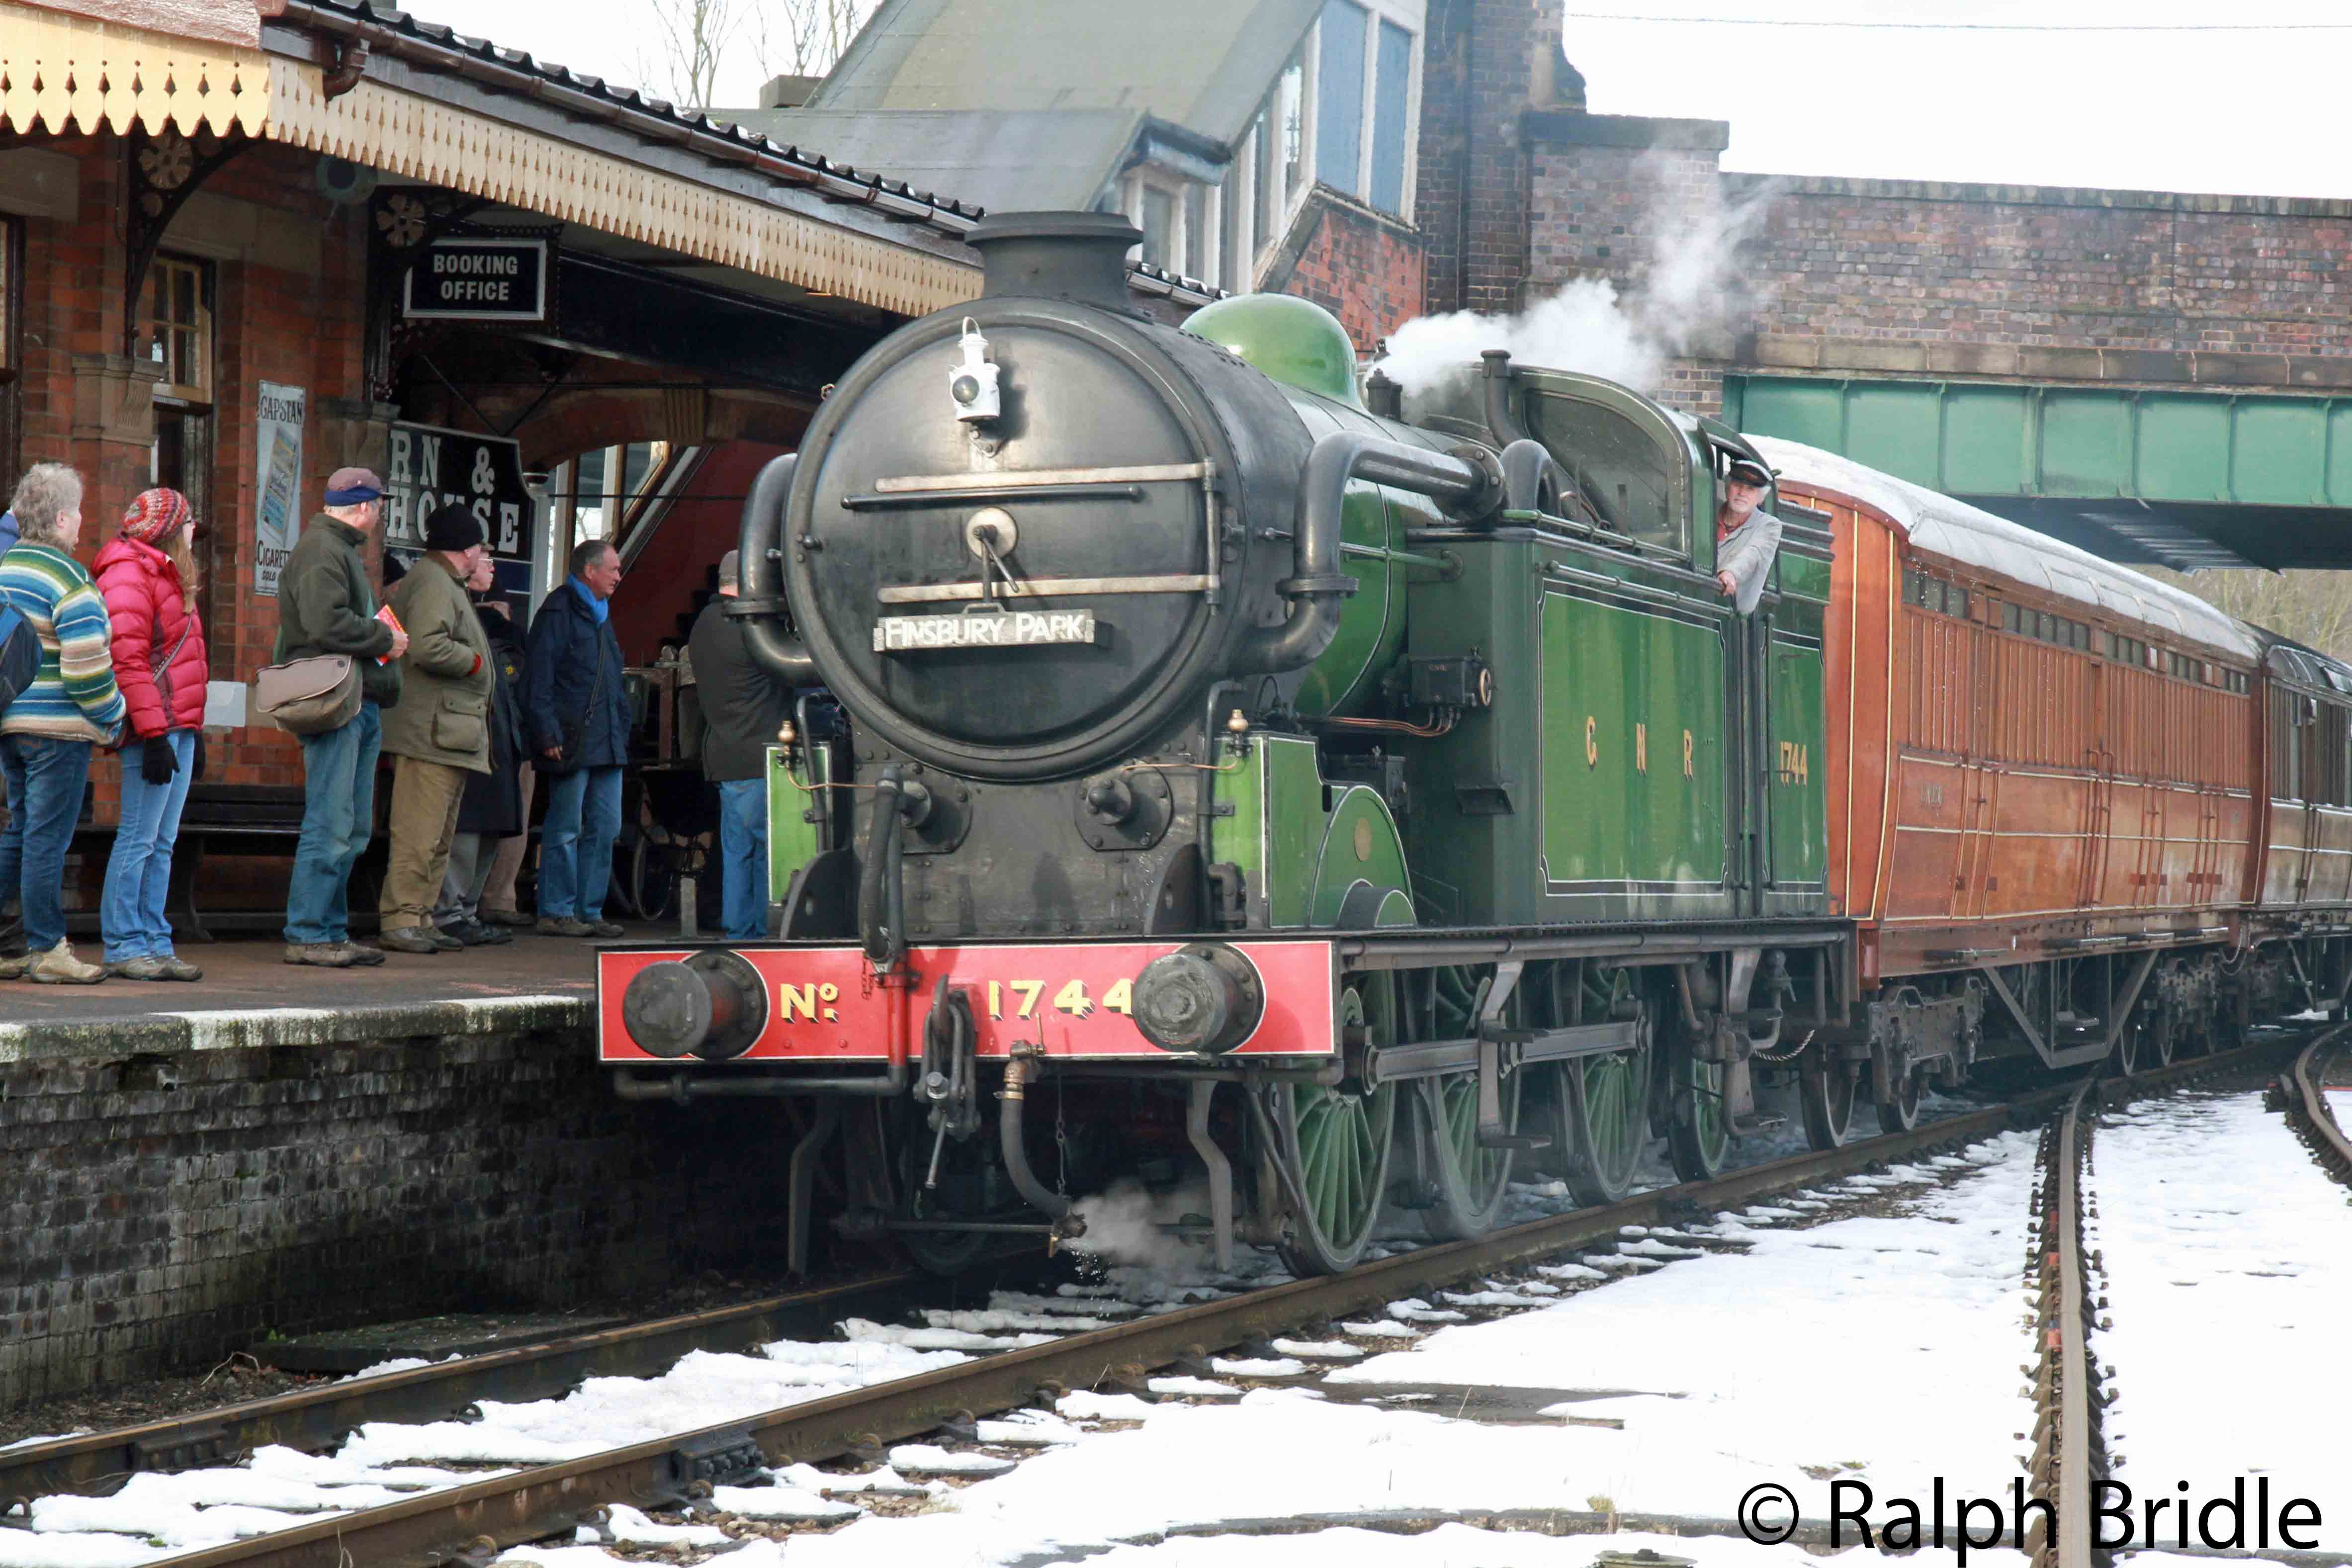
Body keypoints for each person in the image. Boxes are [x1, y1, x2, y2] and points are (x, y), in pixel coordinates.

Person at [0, 463, 126, 983]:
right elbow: (86, 668)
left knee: (20, 832)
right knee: (48, 839)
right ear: (59, 518)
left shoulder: (5, 566)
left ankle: (13, 945)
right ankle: (49, 947)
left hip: (9, 723)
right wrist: (115, 717)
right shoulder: (70, 577)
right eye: (77, 514)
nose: (81, 524)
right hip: (59, 730)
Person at [278, 465, 405, 968]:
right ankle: (309, 932)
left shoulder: (334, 550)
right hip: (337, 704)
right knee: (331, 821)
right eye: (378, 506)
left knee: (348, 826)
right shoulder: (322, 551)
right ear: (364, 508)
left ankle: (329, 930)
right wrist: (385, 639)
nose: (378, 516)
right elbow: (324, 622)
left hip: (355, 701)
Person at [93, 487, 209, 980]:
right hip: (152, 728)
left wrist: (191, 729)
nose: (193, 532)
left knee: (162, 840)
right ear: (168, 528)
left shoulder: (164, 570)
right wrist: (155, 732)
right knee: (140, 837)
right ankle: (123, 944)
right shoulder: (128, 572)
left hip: (175, 724)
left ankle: (155, 940)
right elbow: (128, 661)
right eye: (187, 523)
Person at [376, 505, 495, 954]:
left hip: (444, 733)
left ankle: (421, 916)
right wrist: (477, 662)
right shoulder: (433, 580)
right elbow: (427, 646)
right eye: (480, 545)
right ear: (467, 547)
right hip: (430, 732)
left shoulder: (440, 580)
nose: (481, 553)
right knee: (419, 834)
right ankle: (403, 918)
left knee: (436, 837)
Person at [523, 538, 628, 938]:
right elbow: (539, 678)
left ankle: (589, 911)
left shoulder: (600, 613)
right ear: (590, 571)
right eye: (613, 569)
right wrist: (546, 732)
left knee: (606, 827)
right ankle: (556, 912)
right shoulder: (558, 611)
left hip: (606, 740)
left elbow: (611, 681)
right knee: (566, 827)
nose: (619, 576)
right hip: (570, 738)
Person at [687, 549, 791, 940]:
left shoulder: (704, 623)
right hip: (759, 755)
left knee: (737, 854)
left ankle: (738, 933)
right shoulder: (747, 628)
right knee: (767, 854)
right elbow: (791, 670)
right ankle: (764, 934)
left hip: (725, 755)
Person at [432, 555, 524, 947]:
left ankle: (467, 911)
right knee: (468, 828)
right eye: (484, 557)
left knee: (493, 827)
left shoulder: (502, 631)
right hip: (469, 732)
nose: (489, 563)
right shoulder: (449, 602)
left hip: (499, 734)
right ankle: (449, 911)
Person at [1714, 455, 1785, 616]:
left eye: (1750, 490)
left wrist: (1731, 573)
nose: (1742, 493)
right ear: (1727, 488)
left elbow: (1753, 554)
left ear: (1760, 499)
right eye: (1738, 485)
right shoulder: (1708, 511)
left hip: (1732, 617)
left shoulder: (1769, 526)